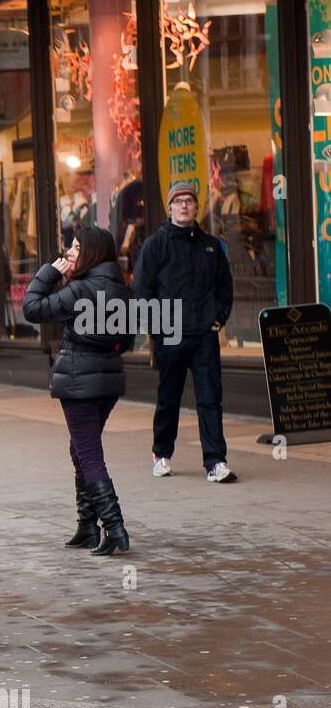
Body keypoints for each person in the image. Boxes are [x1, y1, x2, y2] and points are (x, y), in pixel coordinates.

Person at [23, 226, 133, 556]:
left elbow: (32, 309)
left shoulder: (79, 290)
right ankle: (87, 525)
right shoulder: (124, 290)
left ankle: (114, 528)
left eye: (75, 248)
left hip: (79, 381)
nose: (69, 253)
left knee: (88, 453)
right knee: (80, 449)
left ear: (91, 253)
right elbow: (126, 341)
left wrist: (48, 273)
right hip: (108, 381)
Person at [135, 180, 237, 483]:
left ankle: (215, 461)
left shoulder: (210, 246)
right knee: (169, 397)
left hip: (204, 335)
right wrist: (157, 326)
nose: (184, 206)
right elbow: (142, 289)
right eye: (178, 201)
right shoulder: (155, 245)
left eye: (189, 201)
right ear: (170, 208)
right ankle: (162, 454)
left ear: (196, 206)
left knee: (210, 398)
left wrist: (218, 318)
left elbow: (224, 286)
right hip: (171, 335)